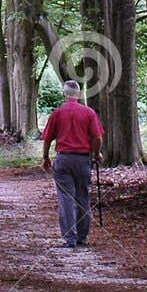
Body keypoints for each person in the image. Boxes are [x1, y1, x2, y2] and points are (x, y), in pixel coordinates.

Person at [41, 79, 103, 248]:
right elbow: (97, 138)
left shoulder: (57, 113)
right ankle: (82, 236)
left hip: (63, 159)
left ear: (63, 94)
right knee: (82, 196)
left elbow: (47, 139)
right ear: (79, 94)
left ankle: (70, 238)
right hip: (83, 159)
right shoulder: (89, 113)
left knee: (66, 199)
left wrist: (46, 157)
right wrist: (96, 154)